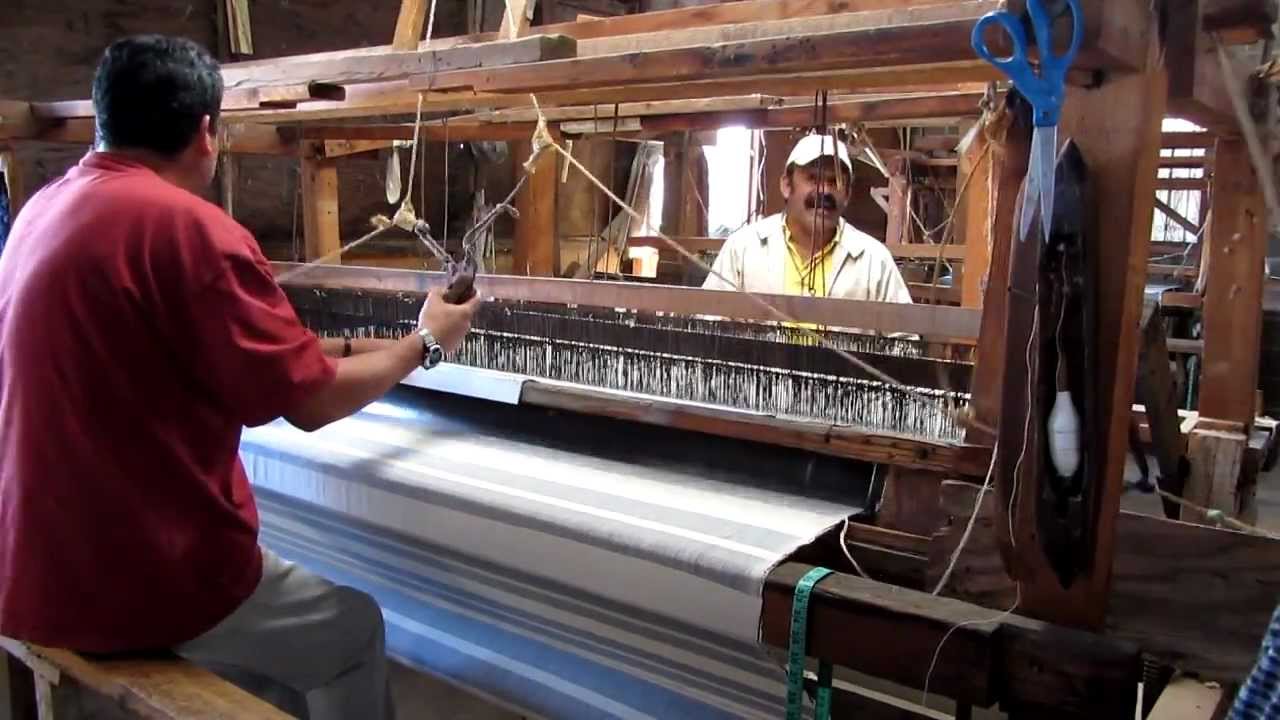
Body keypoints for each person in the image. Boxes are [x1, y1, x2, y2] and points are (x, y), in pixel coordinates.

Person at [0, 35, 479, 719]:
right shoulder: (190, 229)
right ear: (206, 131)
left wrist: (371, 343)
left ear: (105, 120)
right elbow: (311, 404)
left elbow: (233, 354)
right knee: (352, 630)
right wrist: (427, 344)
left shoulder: (42, 211)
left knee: (277, 666)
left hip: (34, 567)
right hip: (136, 584)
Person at [702, 133, 913, 304]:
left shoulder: (875, 261)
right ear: (787, 185)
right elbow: (708, 322)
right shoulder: (742, 250)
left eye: (835, 181)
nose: (824, 191)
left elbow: (904, 338)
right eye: (813, 178)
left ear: (847, 194)